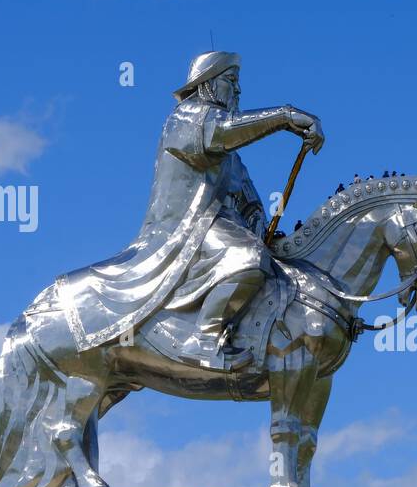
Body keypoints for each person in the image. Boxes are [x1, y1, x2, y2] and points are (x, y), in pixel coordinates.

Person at [53, 50, 324, 369]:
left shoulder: (231, 158)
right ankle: (204, 339)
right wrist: (285, 116)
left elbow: (248, 201)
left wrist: (264, 229)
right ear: (207, 84)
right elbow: (224, 131)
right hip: (184, 228)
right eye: (231, 81)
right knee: (247, 258)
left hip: (214, 226)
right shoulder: (187, 118)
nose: (237, 90)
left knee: (266, 259)